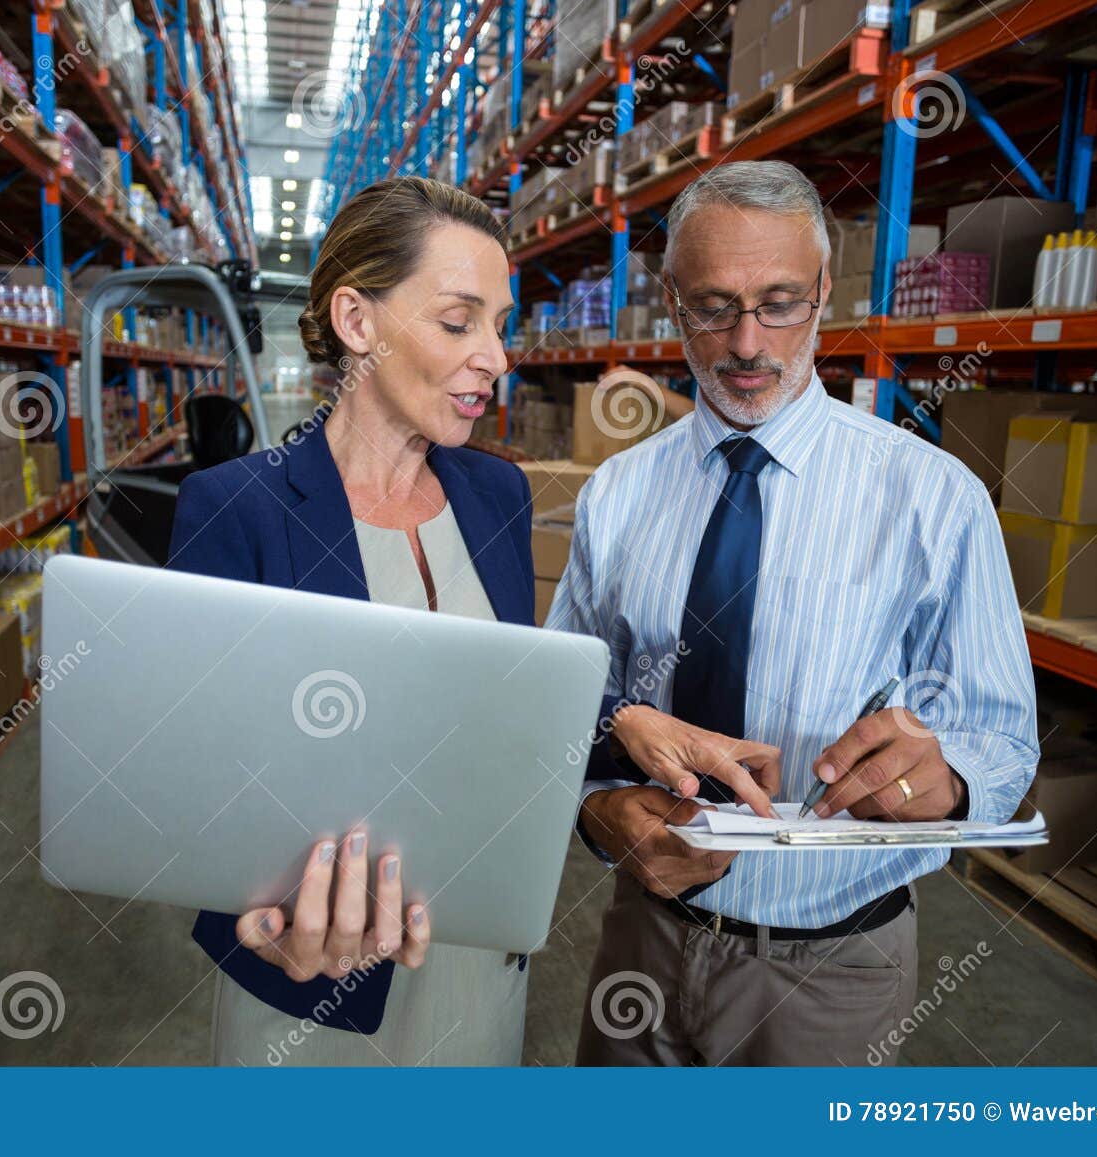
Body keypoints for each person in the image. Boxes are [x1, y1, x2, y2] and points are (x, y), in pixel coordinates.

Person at [548, 160, 1039, 1066]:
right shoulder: (617, 493)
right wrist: (598, 807)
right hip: (643, 940)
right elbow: (565, 700)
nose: (746, 342)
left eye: (779, 302)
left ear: (821, 295)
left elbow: (1001, 736)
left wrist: (954, 782)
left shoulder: (931, 497)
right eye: (712, 305)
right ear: (670, 300)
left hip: (832, 971)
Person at [167, 176, 535, 1066]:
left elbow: (515, 712)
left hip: (478, 961)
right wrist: (264, 925)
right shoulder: (238, 508)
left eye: (501, 325)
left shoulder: (498, 494)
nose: (495, 355)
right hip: (313, 989)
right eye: (458, 322)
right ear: (357, 323)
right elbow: (188, 780)